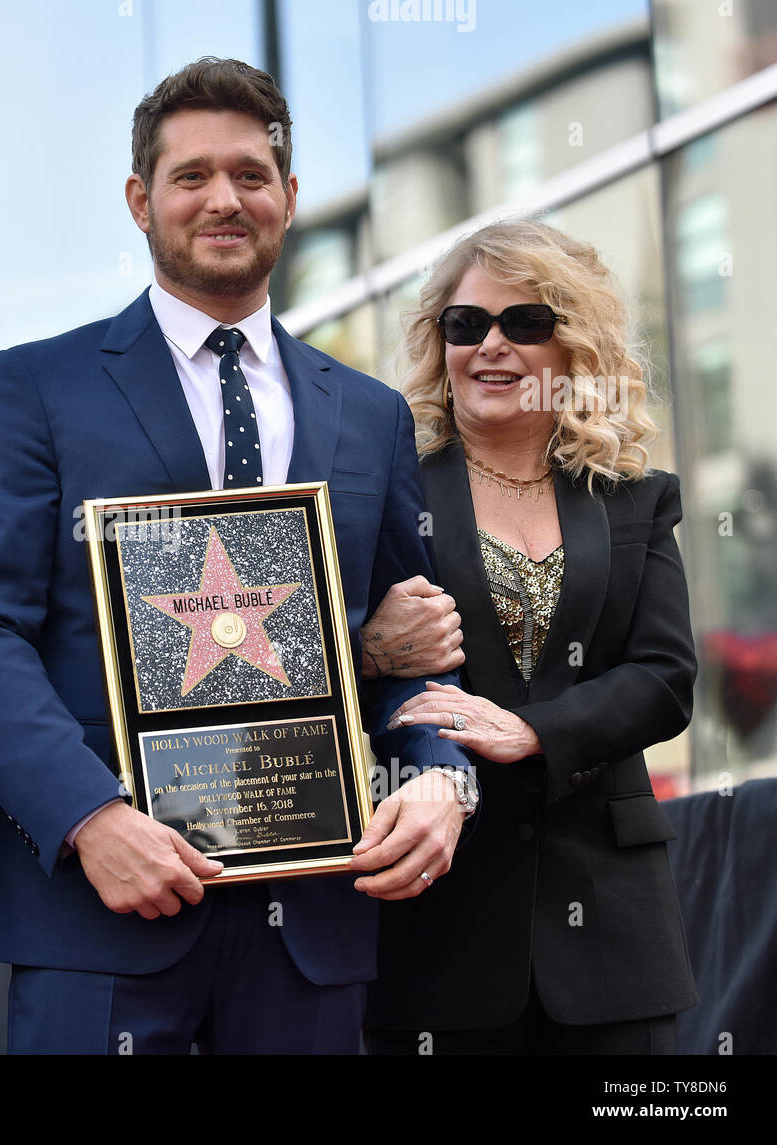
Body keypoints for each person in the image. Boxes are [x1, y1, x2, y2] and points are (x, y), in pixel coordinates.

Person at [0, 57, 477, 1055]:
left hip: (313, 916)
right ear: (140, 200)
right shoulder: (38, 387)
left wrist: (438, 773)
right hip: (96, 909)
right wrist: (88, 816)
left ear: (289, 197)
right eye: (190, 176)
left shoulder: (370, 415)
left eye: (250, 174)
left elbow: (413, 647)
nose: (223, 198)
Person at [362, 219, 697, 1053]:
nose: (493, 346)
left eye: (527, 323)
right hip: (439, 931)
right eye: (467, 325)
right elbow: (352, 679)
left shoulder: (634, 498)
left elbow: (664, 676)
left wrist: (533, 731)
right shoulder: (387, 499)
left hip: (616, 932)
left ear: (573, 344)